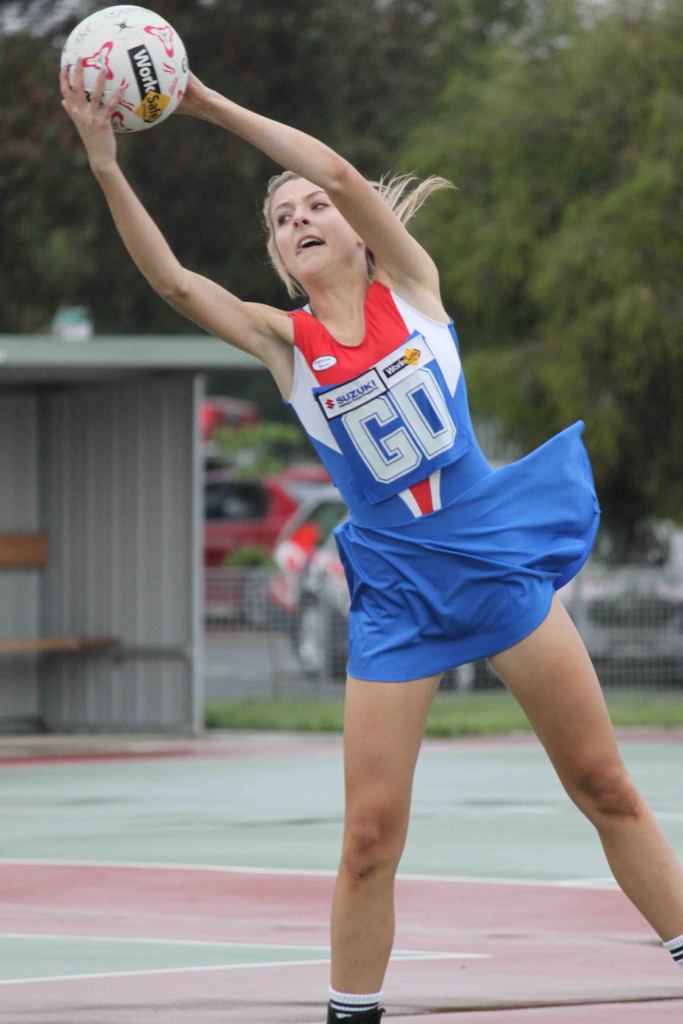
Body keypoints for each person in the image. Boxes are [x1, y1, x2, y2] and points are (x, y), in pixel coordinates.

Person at [60, 62, 683, 1023]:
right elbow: (174, 283)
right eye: (282, 219)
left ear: (358, 230)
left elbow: (342, 173)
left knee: (604, 785)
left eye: (314, 207)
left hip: (492, 559)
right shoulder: (285, 343)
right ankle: (351, 1014)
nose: (302, 217)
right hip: (397, 593)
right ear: (279, 256)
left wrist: (206, 103)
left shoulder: (417, 293)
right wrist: (107, 163)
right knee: (367, 836)